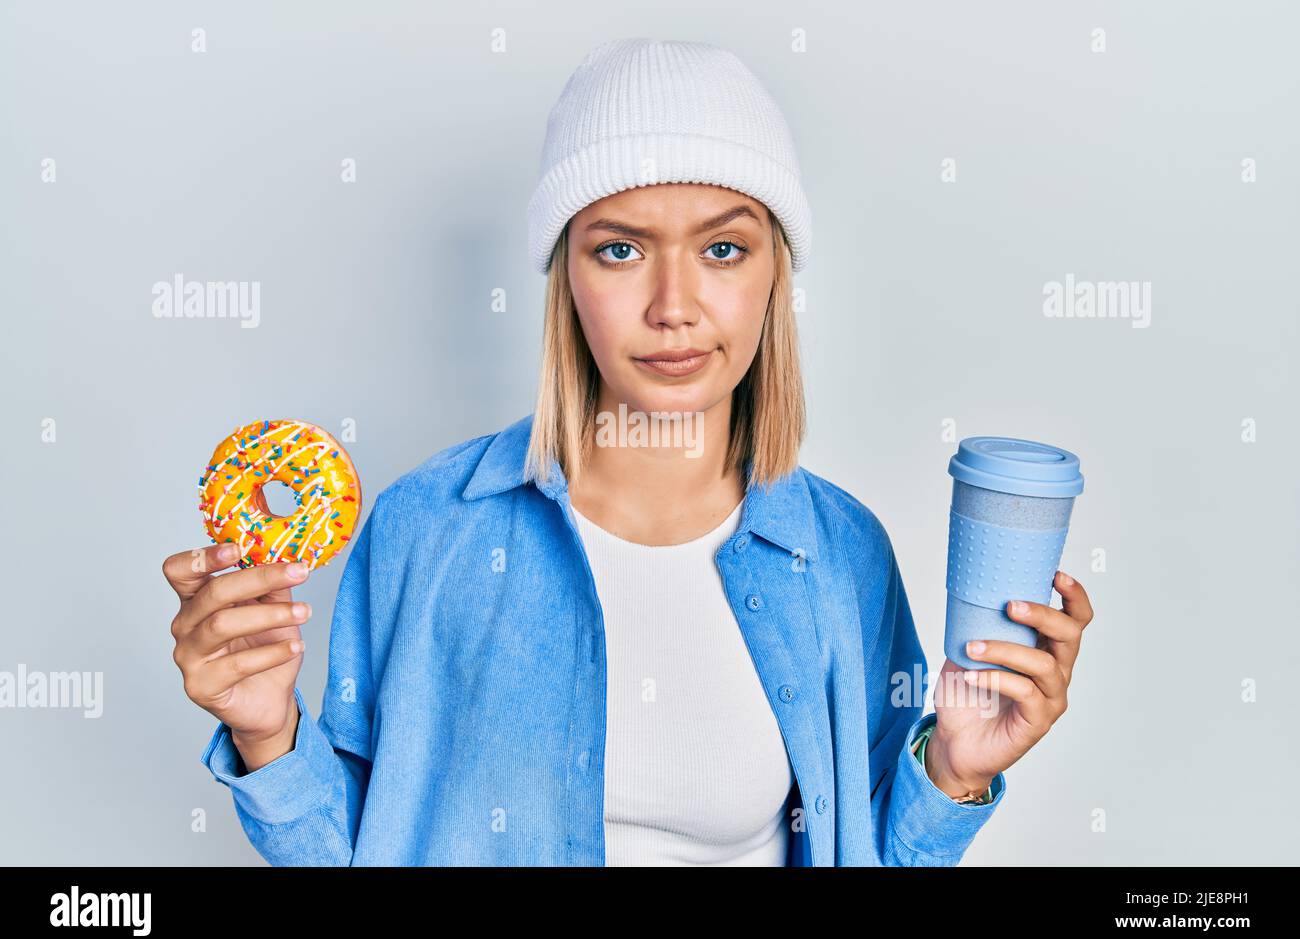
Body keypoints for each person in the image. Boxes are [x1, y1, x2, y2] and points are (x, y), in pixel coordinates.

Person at [163, 37, 1094, 866]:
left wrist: (955, 771)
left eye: (724, 250)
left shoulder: (843, 553)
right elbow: (359, 848)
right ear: (566, 273)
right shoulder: (424, 528)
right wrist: (267, 734)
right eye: (619, 251)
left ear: (776, 273)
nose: (673, 305)